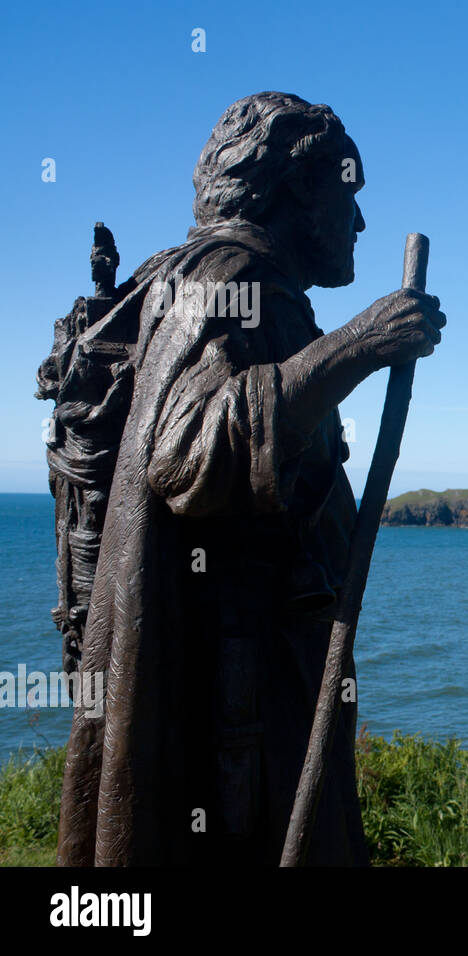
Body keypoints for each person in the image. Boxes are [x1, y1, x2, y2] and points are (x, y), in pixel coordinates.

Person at [52, 92, 446, 867]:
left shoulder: (231, 284)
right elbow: (184, 449)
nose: (360, 223)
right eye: (349, 193)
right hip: (242, 682)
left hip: (250, 659)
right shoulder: (235, 282)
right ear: (298, 188)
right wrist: (357, 346)